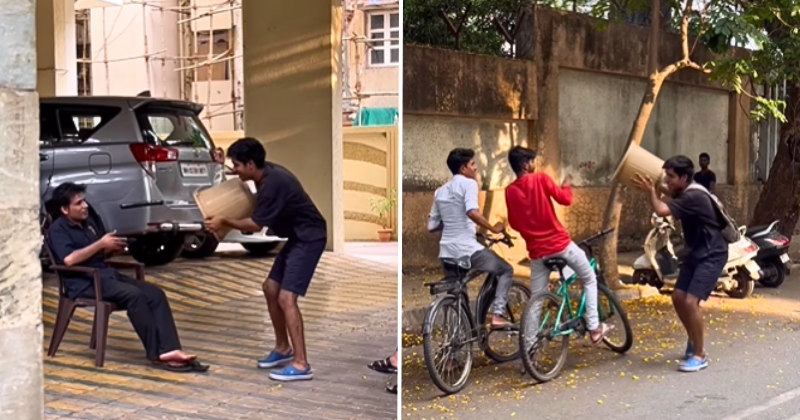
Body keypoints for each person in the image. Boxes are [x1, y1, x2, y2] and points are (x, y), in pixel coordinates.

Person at [46, 183, 207, 372]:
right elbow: (69, 260)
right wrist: (100, 244)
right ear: (65, 209)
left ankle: (170, 348)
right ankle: (156, 353)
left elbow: (98, 254)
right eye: (79, 203)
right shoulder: (58, 230)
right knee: (134, 295)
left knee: (155, 294)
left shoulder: (88, 224)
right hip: (84, 283)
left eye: (85, 201)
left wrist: (110, 250)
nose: (85, 206)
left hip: (105, 275)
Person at [204, 137, 327, 382]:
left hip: (309, 238)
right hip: (297, 237)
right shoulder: (263, 172)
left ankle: (301, 364)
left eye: (236, 165)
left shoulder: (273, 184)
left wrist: (225, 220)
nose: (235, 170)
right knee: (270, 288)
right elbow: (241, 177)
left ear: (250, 164)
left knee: (286, 297)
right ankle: (283, 348)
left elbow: (255, 224)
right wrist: (222, 166)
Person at [504, 146, 611, 344]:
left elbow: (514, 223)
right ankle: (595, 327)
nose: (534, 164)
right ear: (526, 164)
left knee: (536, 300)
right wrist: (567, 184)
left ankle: (529, 349)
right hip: (560, 244)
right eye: (532, 161)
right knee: (589, 278)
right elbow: (565, 199)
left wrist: (531, 231)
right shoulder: (540, 179)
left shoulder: (510, 191)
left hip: (537, 252)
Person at [632, 155, 727, 372]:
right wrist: (655, 186)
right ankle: (694, 338)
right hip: (695, 253)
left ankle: (700, 355)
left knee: (691, 301)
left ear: (684, 177)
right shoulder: (687, 190)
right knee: (678, 298)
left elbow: (661, 210)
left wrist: (651, 193)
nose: (668, 181)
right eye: (666, 176)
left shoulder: (693, 196)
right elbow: (669, 193)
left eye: (671, 177)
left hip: (712, 254)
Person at [427, 148, 515, 328]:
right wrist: (493, 228)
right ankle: (498, 315)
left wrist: (452, 221)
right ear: (463, 169)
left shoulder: (440, 191)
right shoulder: (468, 184)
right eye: (472, 164)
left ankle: (456, 349)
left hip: (446, 252)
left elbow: (431, 226)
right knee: (505, 269)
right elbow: (471, 212)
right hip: (466, 249)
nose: (475, 168)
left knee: (459, 297)